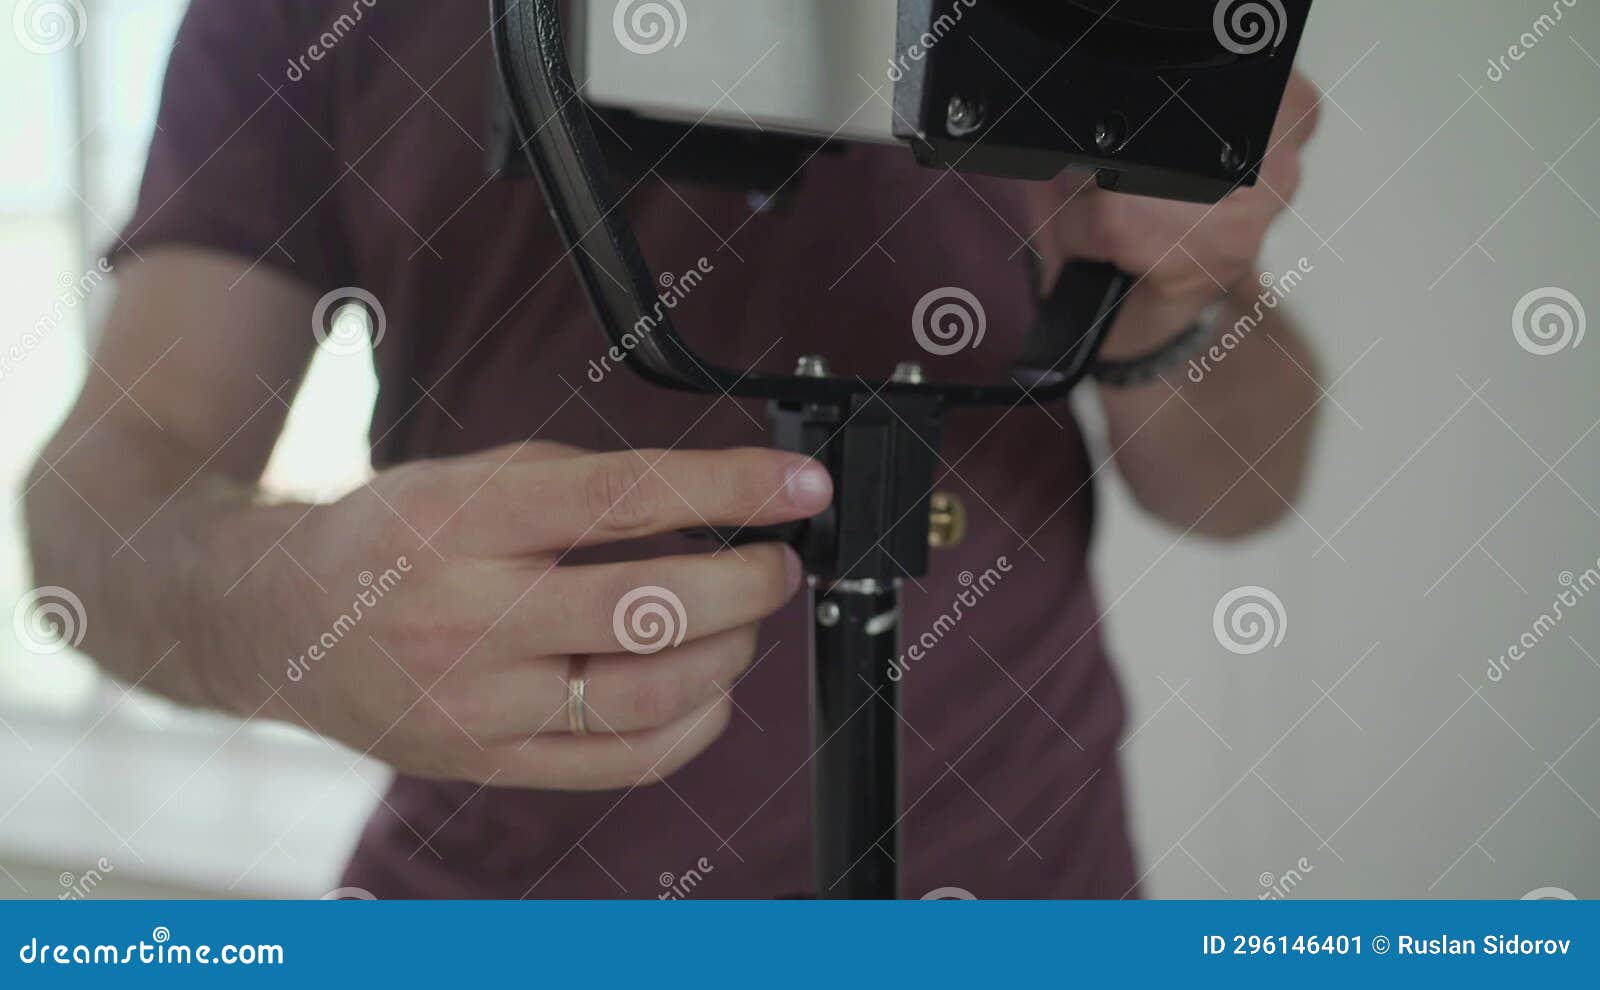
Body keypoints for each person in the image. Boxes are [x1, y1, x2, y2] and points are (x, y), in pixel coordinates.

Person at [24, 1, 1322, 898]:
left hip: (1030, 880)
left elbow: (1242, 491)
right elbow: (107, 490)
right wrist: (288, 603)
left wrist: (1170, 296)